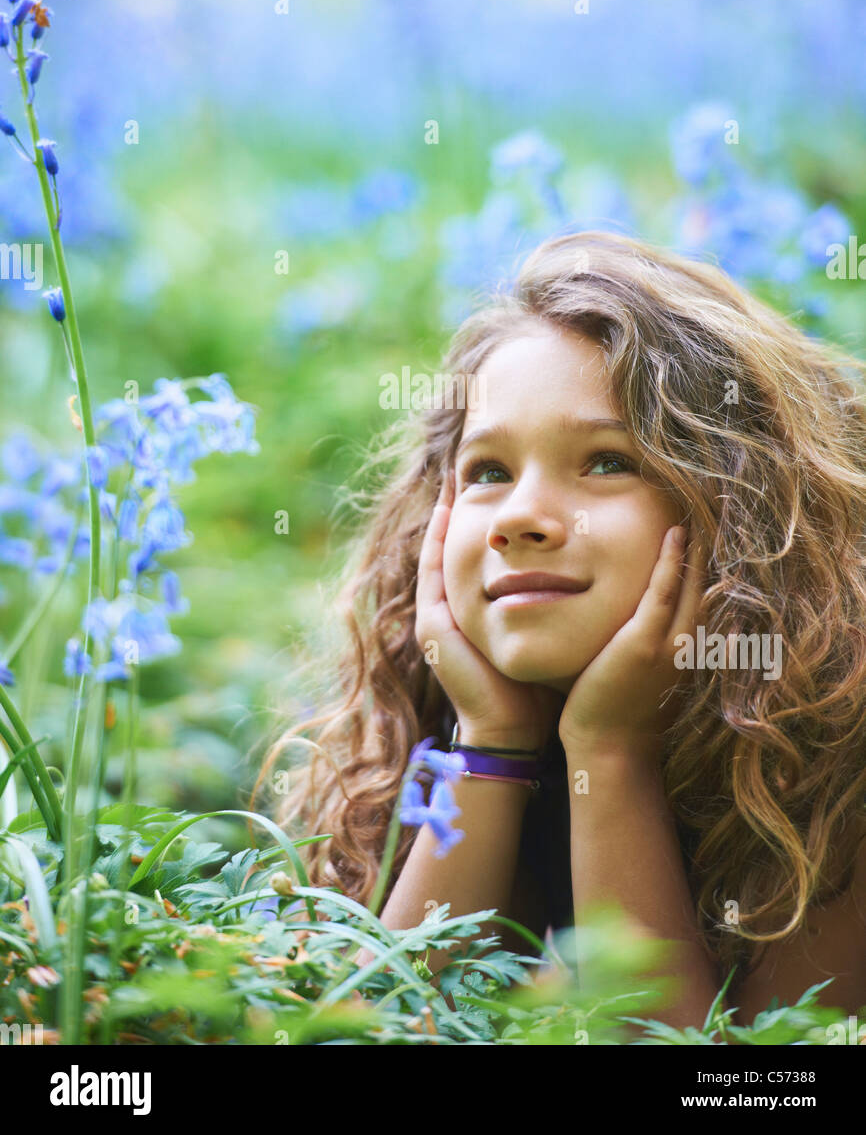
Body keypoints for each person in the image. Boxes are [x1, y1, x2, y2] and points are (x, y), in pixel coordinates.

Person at [253, 229, 866, 1030]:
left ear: (737, 508)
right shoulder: (443, 730)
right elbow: (368, 1034)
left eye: (607, 462)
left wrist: (611, 756)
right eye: (489, 473)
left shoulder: (837, 764)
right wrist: (492, 743)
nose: (520, 519)